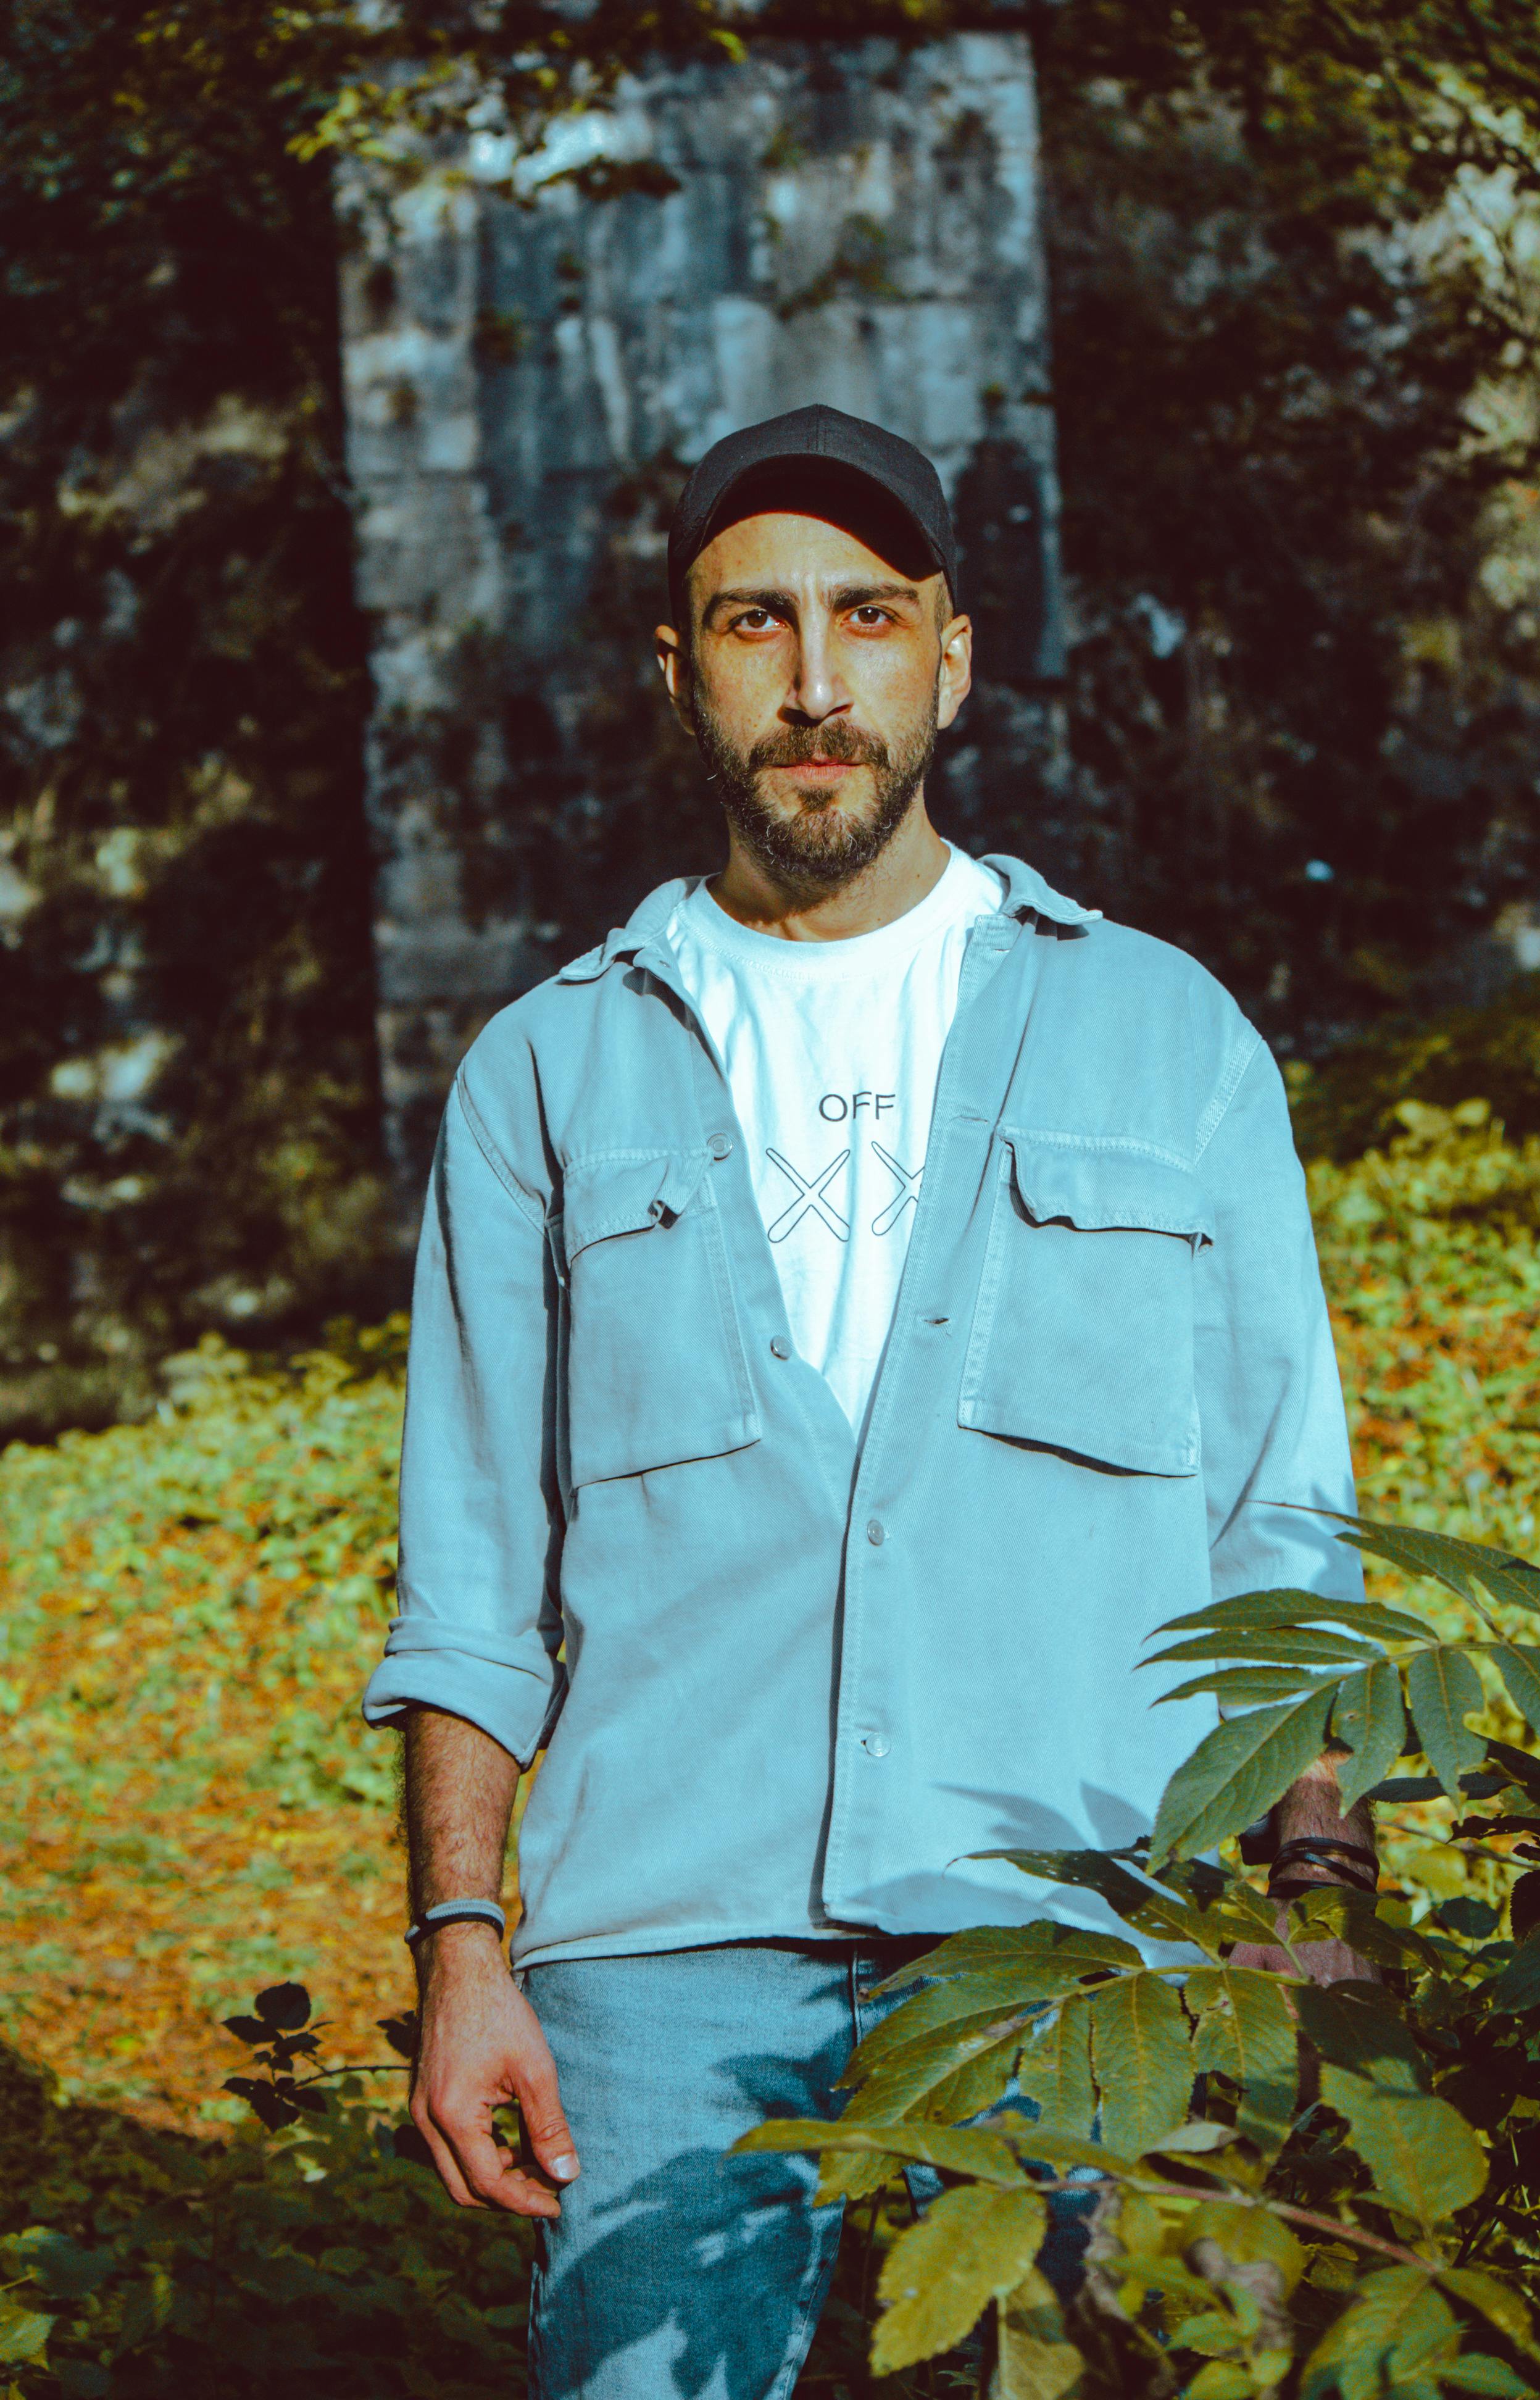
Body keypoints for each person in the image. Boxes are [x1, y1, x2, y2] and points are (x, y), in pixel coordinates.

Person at [362, 404, 1375, 2399]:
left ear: (954, 656)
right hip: (661, 1964)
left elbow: (1284, 1525)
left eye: (870, 618)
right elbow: (470, 1574)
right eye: (757, 626)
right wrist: (460, 1953)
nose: (818, 685)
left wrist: (1318, 1899)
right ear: (683, 672)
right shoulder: (545, 1079)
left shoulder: (1166, 1035)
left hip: (1078, 1937)